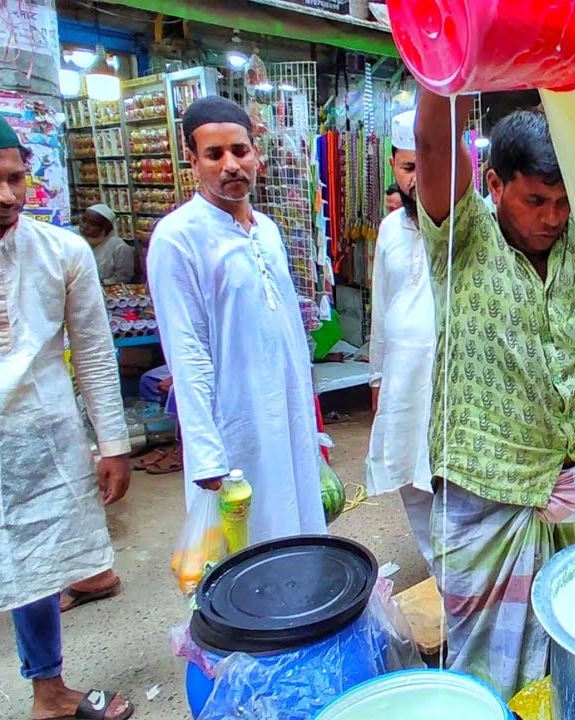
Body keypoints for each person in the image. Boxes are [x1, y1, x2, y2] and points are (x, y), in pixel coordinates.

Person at [408, 5, 575, 697]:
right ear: (495, 185)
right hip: (486, 494)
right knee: (485, 671)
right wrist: (447, 45)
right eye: (536, 200)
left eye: (564, 200)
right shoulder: (464, 240)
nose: (553, 217)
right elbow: (433, 145)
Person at [0, 106, 134, 720]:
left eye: (17, 177)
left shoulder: (61, 251)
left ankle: (51, 693)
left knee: (44, 574)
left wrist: (114, 444)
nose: (7, 194)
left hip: (46, 443)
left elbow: (93, 352)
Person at [148, 96, 325, 542]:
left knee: (298, 520)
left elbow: (288, 332)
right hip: (234, 422)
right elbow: (186, 351)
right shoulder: (177, 237)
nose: (231, 165)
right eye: (214, 154)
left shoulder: (268, 230)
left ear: (256, 154)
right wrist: (206, 453)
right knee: (246, 540)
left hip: (287, 411)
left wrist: (311, 417)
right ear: (193, 161)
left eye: (239, 150)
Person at [366, 110, 435, 569]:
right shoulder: (389, 230)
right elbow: (380, 306)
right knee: (408, 471)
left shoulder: (472, 221)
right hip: (401, 376)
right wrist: (376, 379)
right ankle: (435, 563)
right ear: (393, 165)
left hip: (445, 375)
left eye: (427, 166)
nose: (418, 179)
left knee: (445, 473)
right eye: (409, 167)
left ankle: (456, 567)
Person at [78, 204, 134, 285]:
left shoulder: (119, 247)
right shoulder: (77, 241)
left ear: (105, 227)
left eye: (92, 224)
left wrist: (101, 284)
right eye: (84, 221)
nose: (85, 226)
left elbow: (123, 277)